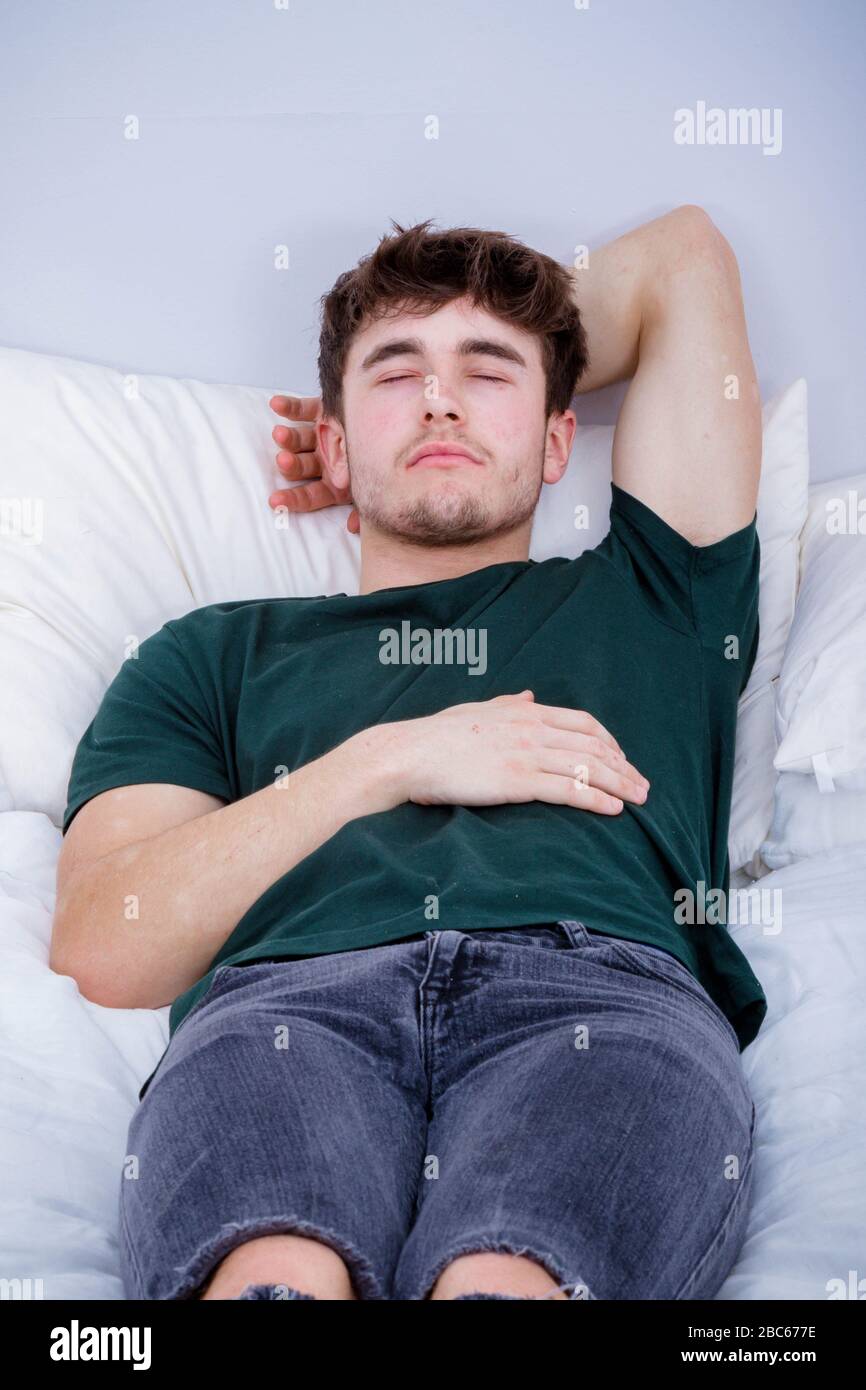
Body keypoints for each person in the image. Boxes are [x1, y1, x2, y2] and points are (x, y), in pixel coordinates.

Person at [52, 207, 765, 1301]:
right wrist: (388, 759)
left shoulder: (654, 599)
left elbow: (682, 258)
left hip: (600, 997)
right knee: (271, 1281)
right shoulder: (214, 653)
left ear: (560, 438)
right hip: (289, 1005)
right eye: (393, 375)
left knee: (509, 1286)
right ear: (331, 445)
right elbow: (106, 938)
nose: (437, 397)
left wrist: (475, 360)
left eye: (486, 373)